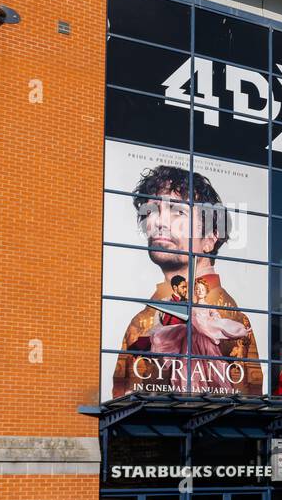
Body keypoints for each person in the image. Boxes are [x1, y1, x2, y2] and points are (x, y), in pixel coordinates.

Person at [111, 164, 262, 397]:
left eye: (178, 212)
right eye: (152, 210)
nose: (159, 222)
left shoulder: (226, 317)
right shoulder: (144, 318)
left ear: (210, 240)